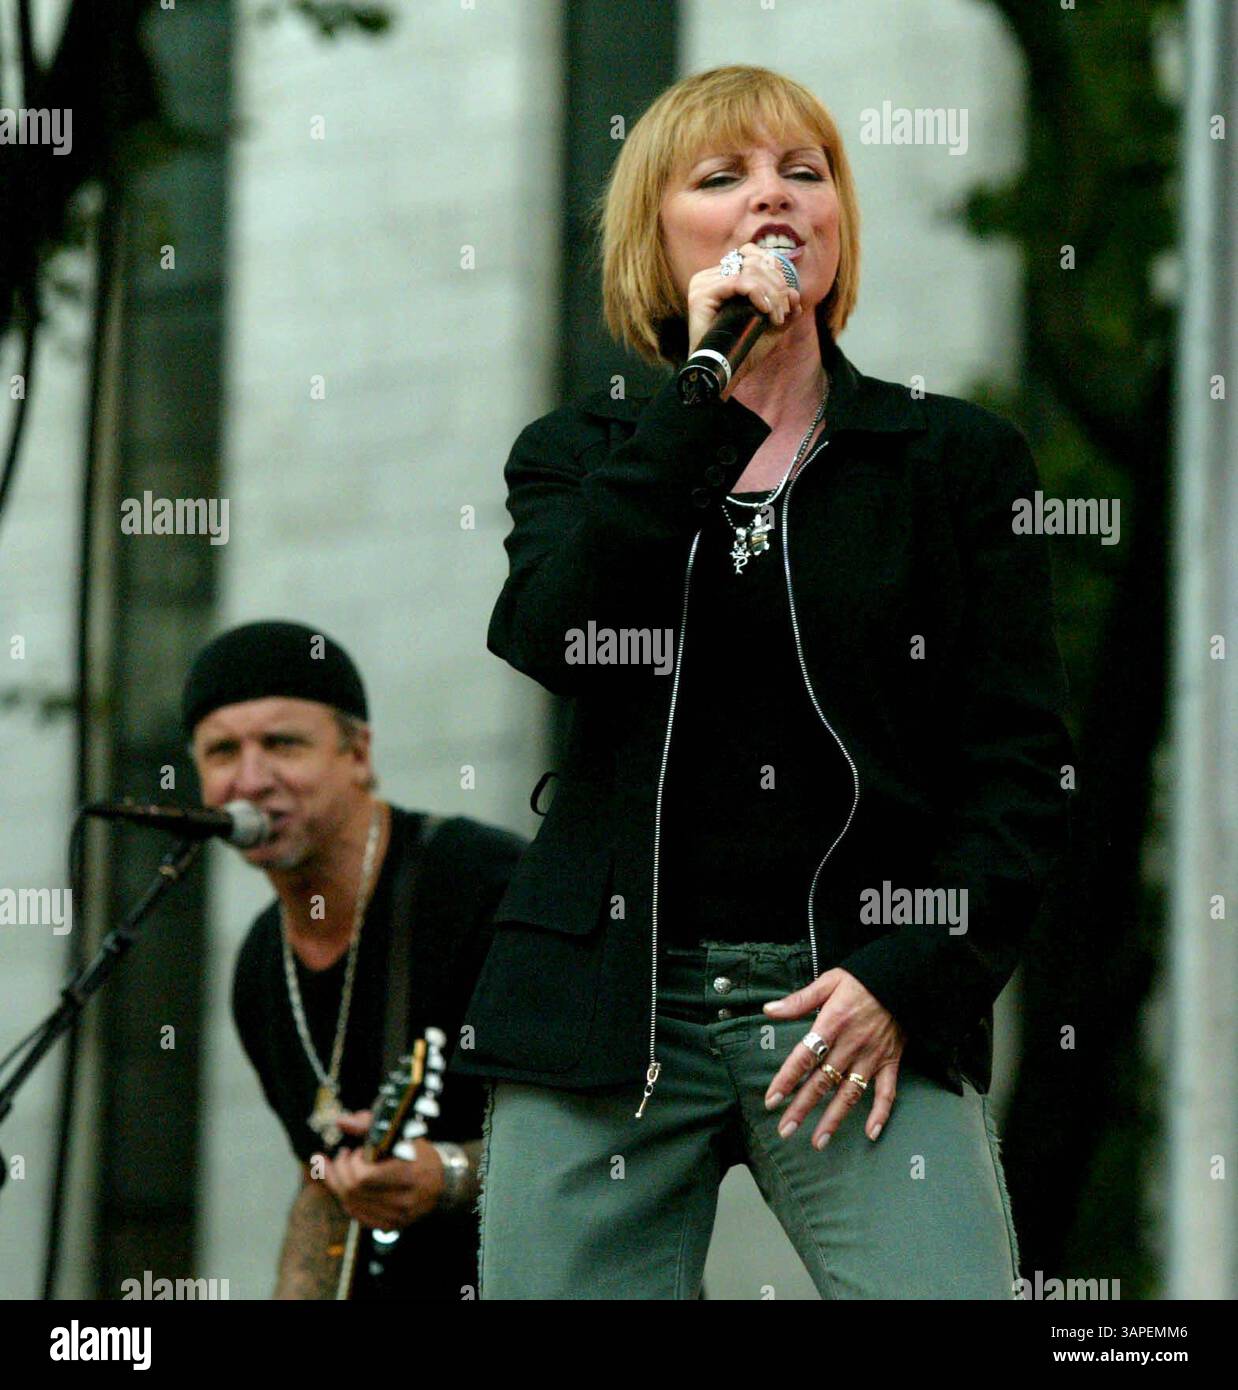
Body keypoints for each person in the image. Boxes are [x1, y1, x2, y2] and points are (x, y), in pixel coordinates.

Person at [455, 65, 1073, 1299]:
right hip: (609, 1003)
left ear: (839, 223)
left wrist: (906, 972)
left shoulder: (946, 460)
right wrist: (700, 401)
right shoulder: (582, 453)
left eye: (804, 172)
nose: (771, 202)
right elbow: (556, 632)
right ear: (659, 235)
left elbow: (1020, 773)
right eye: (721, 177)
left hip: (848, 1004)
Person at [182, 620, 526, 1299]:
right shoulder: (261, 963)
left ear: (358, 753)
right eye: (222, 752)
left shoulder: (485, 881)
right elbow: (321, 1187)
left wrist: (450, 1173)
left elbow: (617, 1131)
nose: (250, 779)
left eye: (281, 743)